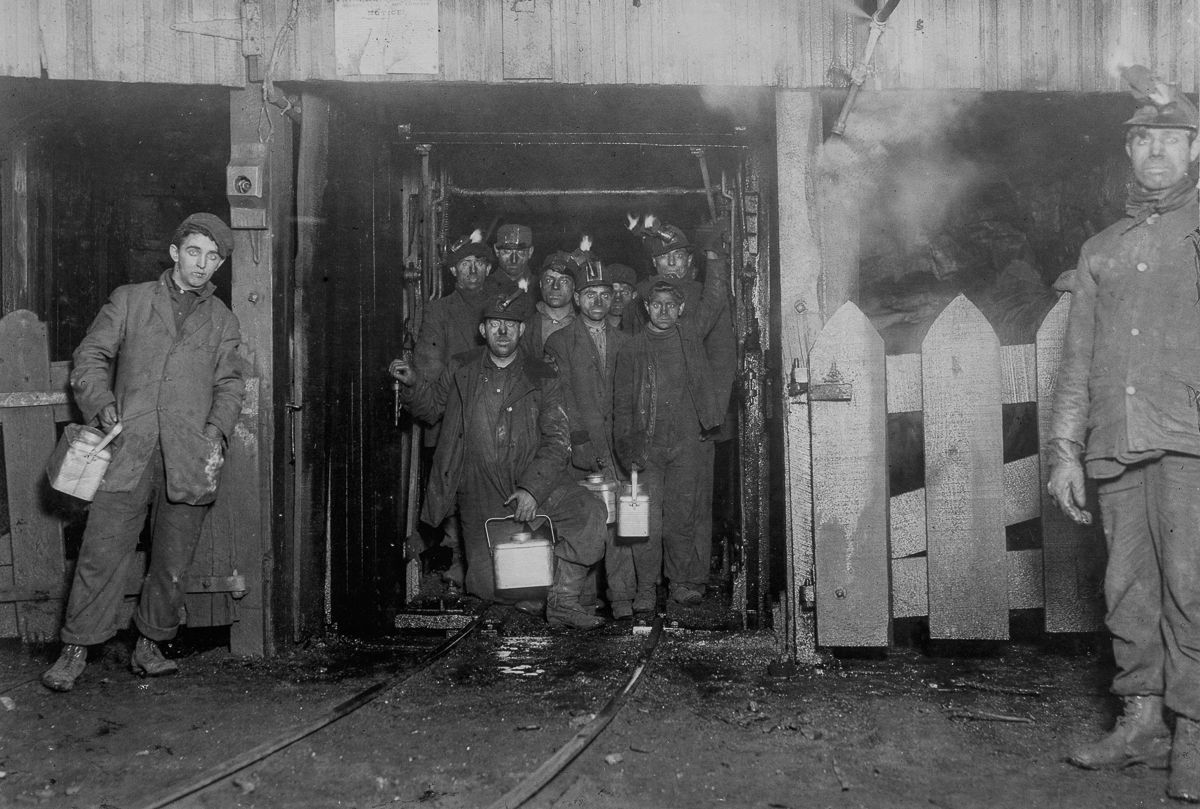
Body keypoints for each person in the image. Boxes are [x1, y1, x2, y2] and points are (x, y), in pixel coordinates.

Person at [1047, 71, 1200, 802]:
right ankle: (1142, 721)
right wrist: (1065, 450)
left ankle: (1194, 734)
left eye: (1174, 141)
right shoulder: (1099, 249)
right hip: (1116, 440)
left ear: (1195, 150)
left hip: (1190, 438)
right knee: (1126, 586)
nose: (1159, 155)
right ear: (1130, 153)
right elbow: (1076, 358)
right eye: (1146, 142)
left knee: (1194, 588)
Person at [42, 213, 244, 692]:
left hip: (188, 456)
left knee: (172, 561)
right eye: (194, 251)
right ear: (175, 252)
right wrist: (101, 404)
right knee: (100, 553)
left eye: (213, 257)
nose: (202, 264)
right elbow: (90, 356)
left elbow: (230, 385)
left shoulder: (223, 320)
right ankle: (76, 649)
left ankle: (151, 644)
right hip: (127, 452)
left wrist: (215, 432)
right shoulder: (130, 300)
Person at [394, 293, 607, 630]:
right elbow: (432, 408)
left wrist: (532, 490)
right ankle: (531, 596)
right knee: (486, 587)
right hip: (479, 488)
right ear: (483, 329)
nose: (503, 331)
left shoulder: (542, 372)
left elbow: (557, 439)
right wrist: (412, 385)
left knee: (589, 512)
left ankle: (563, 601)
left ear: (522, 330)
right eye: (496, 325)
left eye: (510, 325)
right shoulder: (461, 367)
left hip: (532, 479)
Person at [613, 239, 729, 609]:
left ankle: (680, 583)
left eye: (671, 305)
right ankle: (647, 588)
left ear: (681, 309)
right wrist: (626, 448)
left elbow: (713, 299)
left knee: (681, 517)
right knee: (647, 523)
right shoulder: (631, 348)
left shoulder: (691, 336)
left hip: (686, 446)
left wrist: (713, 257)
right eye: (656, 304)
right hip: (647, 447)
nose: (663, 310)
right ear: (645, 308)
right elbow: (620, 406)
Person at [389, 230, 493, 594]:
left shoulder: (502, 306)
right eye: (465, 264)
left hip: (495, 420)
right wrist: (419, 385)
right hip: (452, 416)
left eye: (479, 263)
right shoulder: (439, 312)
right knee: (453, 500)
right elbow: (431, 371)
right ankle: (458, 564)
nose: (473, 270)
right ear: (453, 270)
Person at [543, 250, 633, 616]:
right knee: (590, 518)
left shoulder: (628, 342)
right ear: (577, 299)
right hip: (581, 448)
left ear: (613, 299)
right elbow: (557, 400)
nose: (598, 301)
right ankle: (579, 598)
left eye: (605, 294)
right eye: (590, 294)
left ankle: (623, 597)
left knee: (623, 522)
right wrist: (578, 442)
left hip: (619, 444)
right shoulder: (559, 344)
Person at [524, 250, 576, 358]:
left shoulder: (585, 326)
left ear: (574, 287)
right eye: (549, 280)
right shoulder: (526, 328)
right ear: (540, 284)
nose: (555, 287)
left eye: (564, 281)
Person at [606, 263, 639, 331]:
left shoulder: (640, 328)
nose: (618, 299)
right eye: (612, 292)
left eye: (625, 293)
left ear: (634, 295)